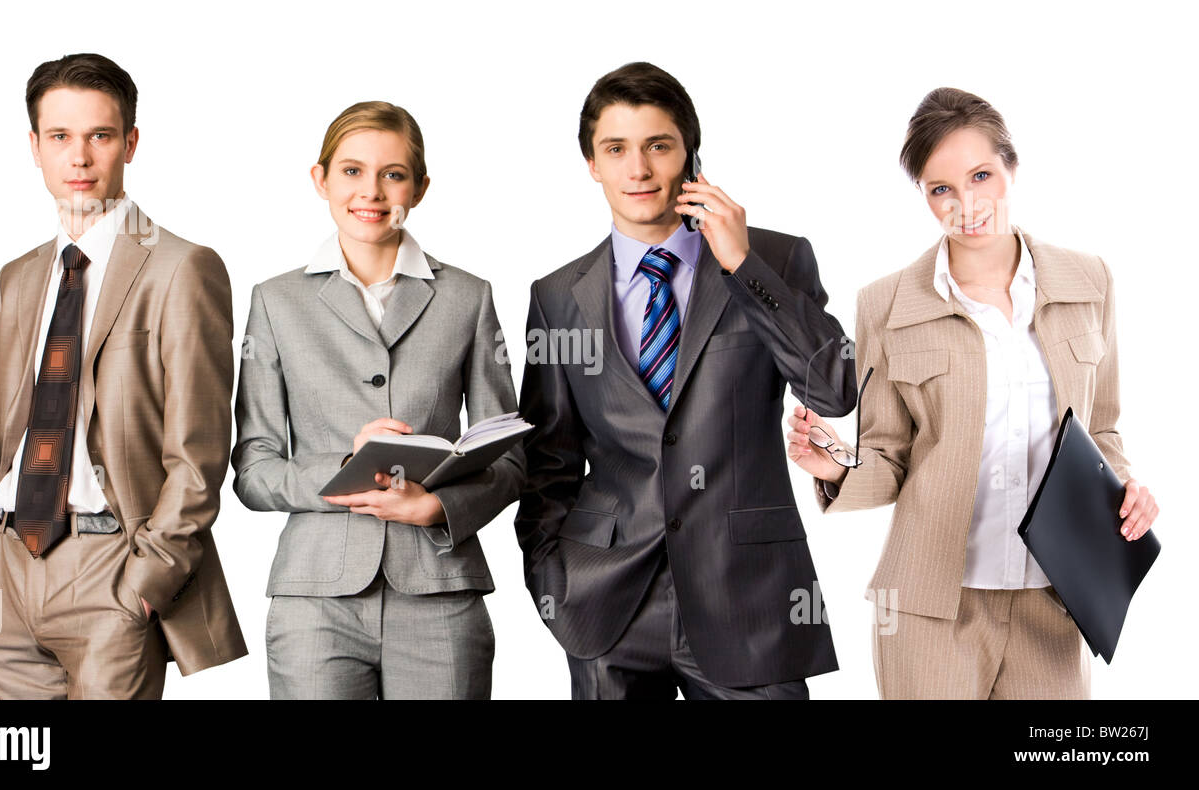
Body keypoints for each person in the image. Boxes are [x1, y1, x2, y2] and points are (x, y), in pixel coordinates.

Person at [786, 87, 1159, 699]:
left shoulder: (1089, 281)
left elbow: (1105, 429)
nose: (967, 204)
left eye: (981, 175)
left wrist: (1127, 493)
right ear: (925, 196)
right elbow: (887, 453)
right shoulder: (886, 304)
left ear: (1011, 167)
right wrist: (836, 464)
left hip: (1057, 605)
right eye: (941, 189)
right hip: (931, 609)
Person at [515, 62, 857, 699]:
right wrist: (551, 578)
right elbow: (547, 459)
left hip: (749, 597)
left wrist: (741, 263)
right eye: (616, 149)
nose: (637, 170)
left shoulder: (774, 259)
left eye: (658, 146)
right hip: (606, 605)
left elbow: (834, 389)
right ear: (592, 163)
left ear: (691, 156)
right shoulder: (558, 296)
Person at [0, 53, 247, 699]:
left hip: (109, 568)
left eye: (101, 135)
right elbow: (7, 437)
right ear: (34, 148)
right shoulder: (18, 277)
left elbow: (200, 454)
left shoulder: (182, 267)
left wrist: (148, 582)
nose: (80, 157)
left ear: (131, 143)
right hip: (6, 573)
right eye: (60, 137)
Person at [231, 101, 524, 699]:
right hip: (315, 602)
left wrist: (439, 509)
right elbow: (253, 472)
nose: (371, 190)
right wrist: (344, 472)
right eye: (351, 171)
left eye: (393, 173)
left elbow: (510, 454)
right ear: (321, 179)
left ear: (419, 187)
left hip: (440, 590)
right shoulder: (276, 301)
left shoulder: (468, 296)